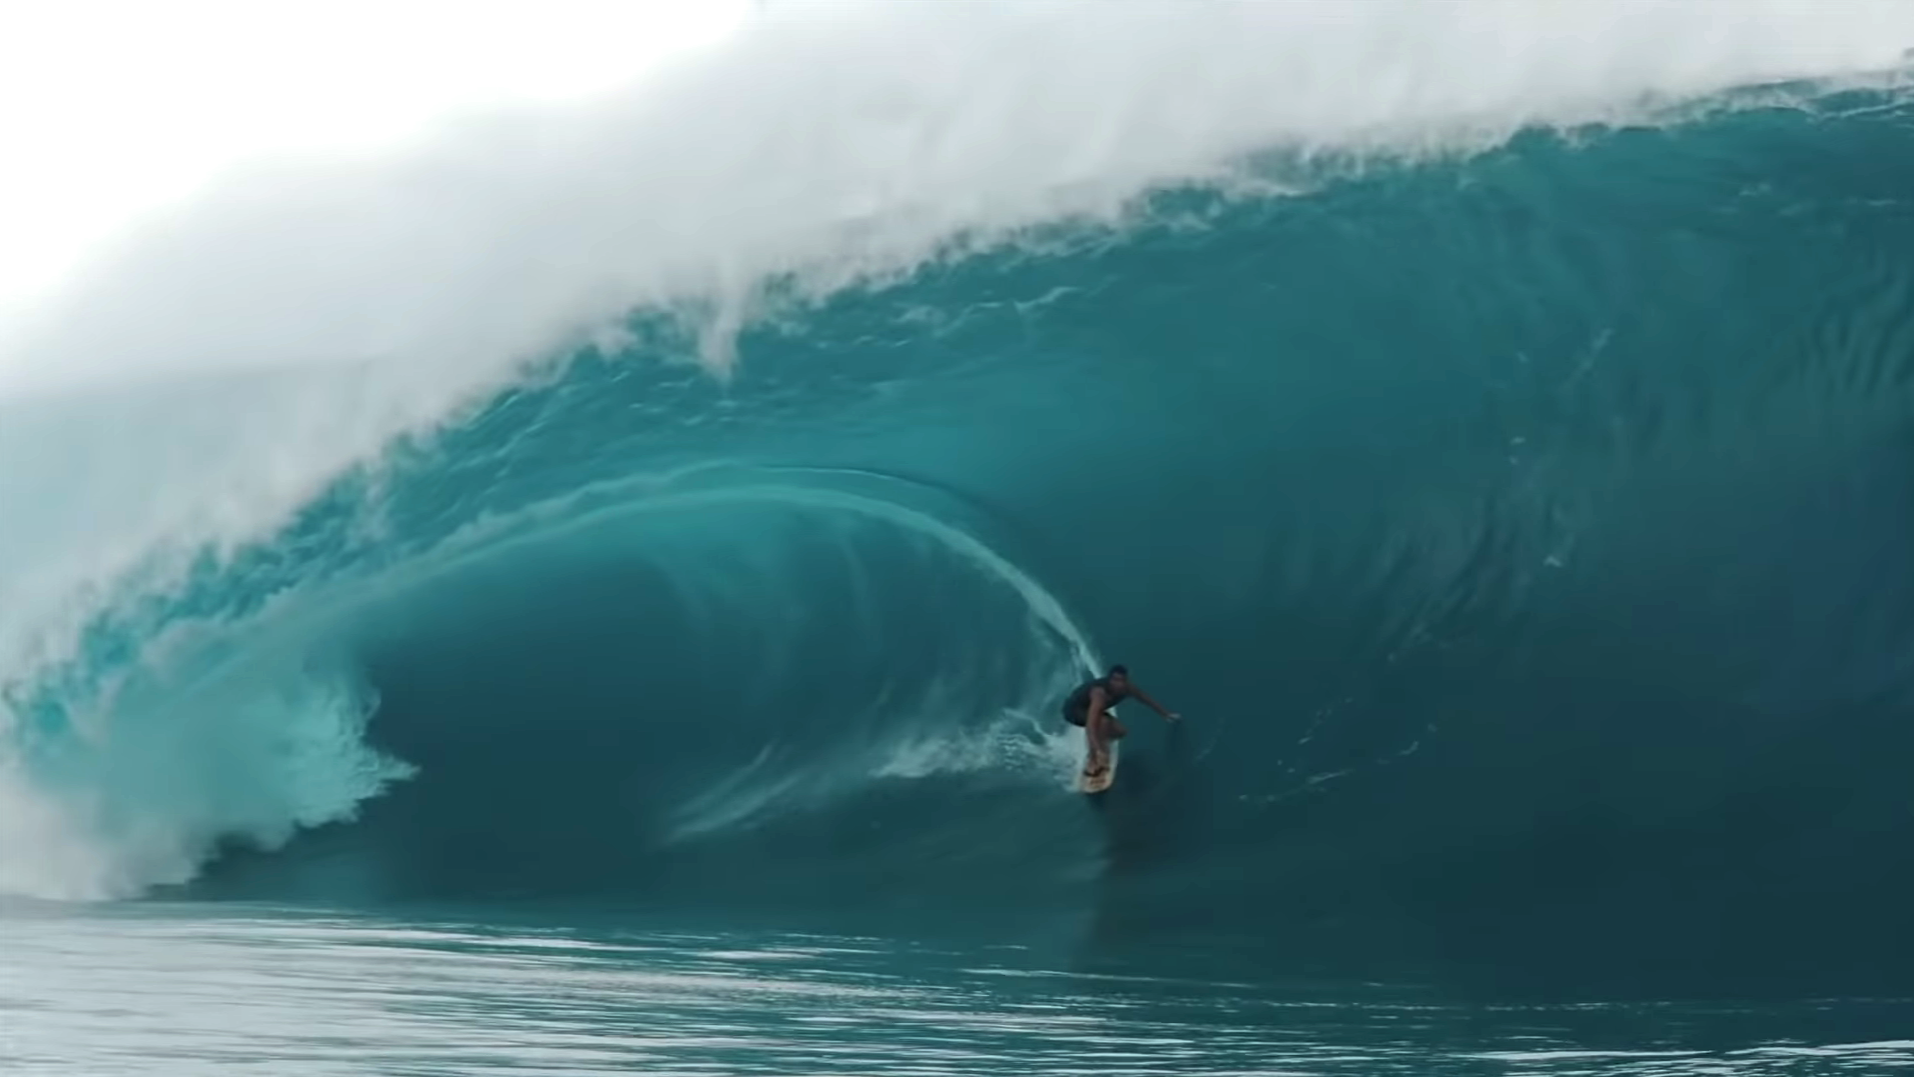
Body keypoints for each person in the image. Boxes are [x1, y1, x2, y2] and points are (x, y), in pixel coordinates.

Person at [1061, 664, 1179, 780]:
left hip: (1089, 708)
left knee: (1121, 732)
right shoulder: (1099, 694)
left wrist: (1166, 714)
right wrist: (1098, 750)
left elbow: (1145, 699)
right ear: (1110, 680)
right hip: (1073, 711)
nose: (1119, 684)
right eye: (1116, 680)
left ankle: (1101, 742)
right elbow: (1091, 727)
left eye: (1123, 681)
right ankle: (1093, 762)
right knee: (1103, 723)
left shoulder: (1128, 688)